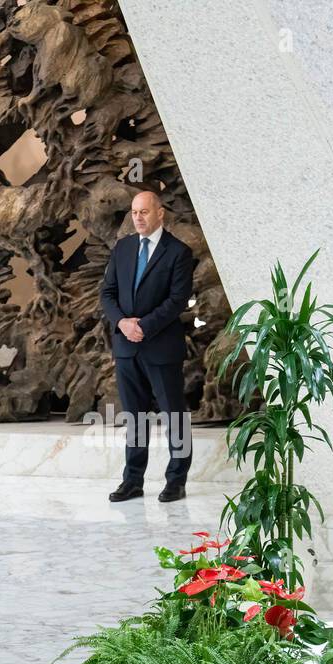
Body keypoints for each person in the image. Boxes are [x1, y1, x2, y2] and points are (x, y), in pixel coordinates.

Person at [100, 190, 197, 503]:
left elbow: (177, 300)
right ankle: (133, 481)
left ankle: (176, 481)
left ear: (160, 213)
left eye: (144, 212)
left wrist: (144, 326)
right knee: (135, 417)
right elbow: (107, 293)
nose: (138, 218)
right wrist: (124, 324)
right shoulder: (123, 248)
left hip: (161, 348)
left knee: (174, 417)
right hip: (126, 347)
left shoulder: (178, 252)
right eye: (134, 212)